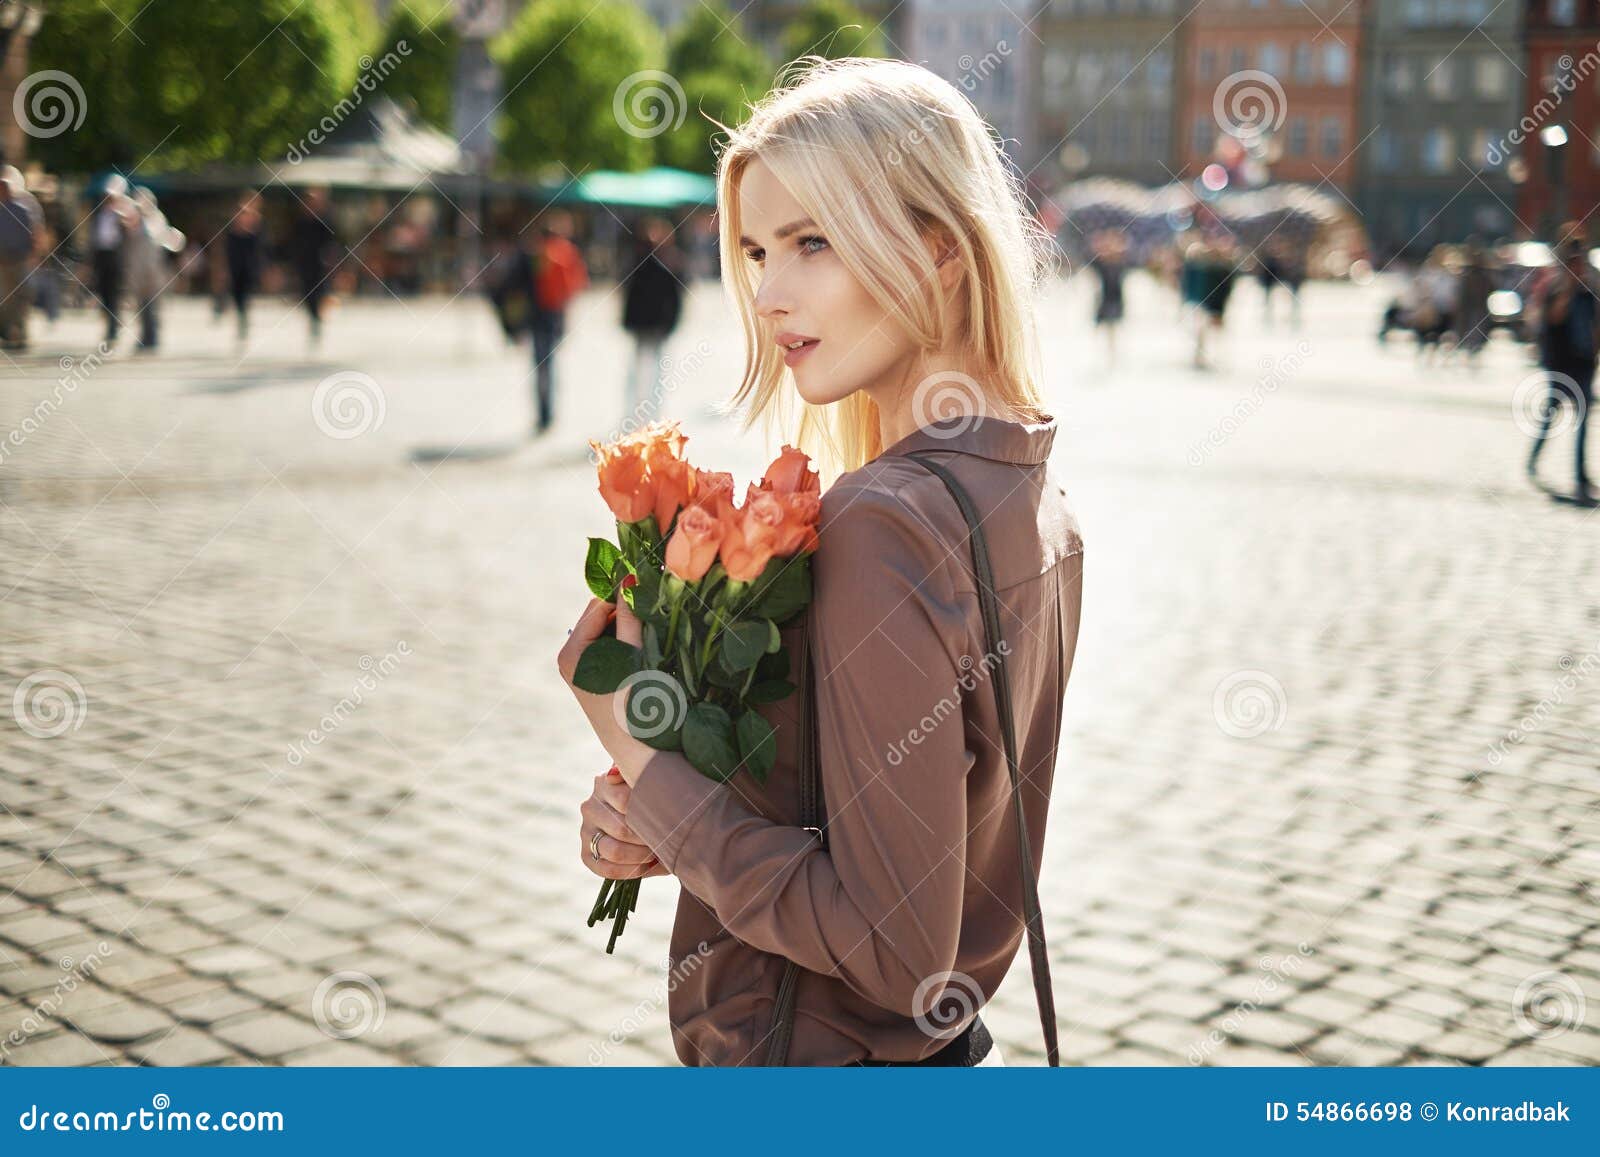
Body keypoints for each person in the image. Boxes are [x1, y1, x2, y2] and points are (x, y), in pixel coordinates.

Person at [558, 56, 1087, 1067]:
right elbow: (884, 837)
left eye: (812, 242)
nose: (767, 292)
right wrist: (684, 824)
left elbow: (892, 950)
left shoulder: (884, 521)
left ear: (939, 248)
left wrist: (647, 759)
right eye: (756, 250)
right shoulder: (1035, 489)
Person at [1527, 228, 1598, 506]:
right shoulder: (1555, 287)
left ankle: (1580, 476)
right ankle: (1533, 458)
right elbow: (1554, 318)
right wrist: (1568, 286)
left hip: (1583, 364)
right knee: (1550, 418)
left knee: (1583, 424)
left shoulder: (1589, 291)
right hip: (1560, 365)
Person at [525, 209, 588, 436]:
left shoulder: (536, 252)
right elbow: (575, 284)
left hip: (537, 314)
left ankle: (544, 411)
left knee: (541, 363)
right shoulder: (564, 252)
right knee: (548, 363)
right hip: (554, 313)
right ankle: (547, 411)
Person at [619, 216, 685, 421]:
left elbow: (675, 299)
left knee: (655, 370)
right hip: (644, 325)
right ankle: (634, 410)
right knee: (638, 369)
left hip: (656, 326)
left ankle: (652, 413)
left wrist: (670, 324)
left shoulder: (669, 263)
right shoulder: (639, 261)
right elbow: (629, 294)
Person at [123, 186, 185, 352]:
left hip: (154, 269)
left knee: (153, 304)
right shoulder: (134, 220)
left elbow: (167, 241)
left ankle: (153, 337)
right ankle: (144, 336)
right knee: (141, 305)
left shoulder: (157, 219)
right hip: (138, 269)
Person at [88, 174, 136, 346]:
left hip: (117, 259)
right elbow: (94, 239)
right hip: (102, 257)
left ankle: (113, 328)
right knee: (104, 294)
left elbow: (130, 233)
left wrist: (122, 212)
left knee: (115, 295)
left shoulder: (123, 214)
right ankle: (109, 325)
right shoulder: (98, 214)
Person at [290, 187, 340, 346]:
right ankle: (314, 317)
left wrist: (331, 260)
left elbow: (333, 242)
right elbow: (293, 242)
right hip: (305, 263)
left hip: (321, 264)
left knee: (321, 292)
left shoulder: (326, 220)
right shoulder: (300, 221)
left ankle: (317, 318)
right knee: (307, 293)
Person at [0, 166, 42, 351]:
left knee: (23, 297)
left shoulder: (22, 210)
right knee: (6, 300)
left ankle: (22, 333)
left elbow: (34, 234)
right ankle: (10, 334)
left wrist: (34, 256)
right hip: (3, 261)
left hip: (20, 260)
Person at [225, 192, 265, 342]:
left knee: (245, 293)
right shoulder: (232, 228)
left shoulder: (258, 226)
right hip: (235, 266)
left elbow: (261, 249)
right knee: (236, 293)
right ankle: (241, 317)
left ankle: (244, 318)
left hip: (249, 267)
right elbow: (226, 249)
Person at [1087, 228, 1126, 367]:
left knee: (1112, 330)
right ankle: (1100, 354)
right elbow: (1092, 261)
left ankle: (1112, 354)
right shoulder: (1101, 265)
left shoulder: (1120, 265)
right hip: (1104, 301)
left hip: (1115, 301)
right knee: (1102, 329)